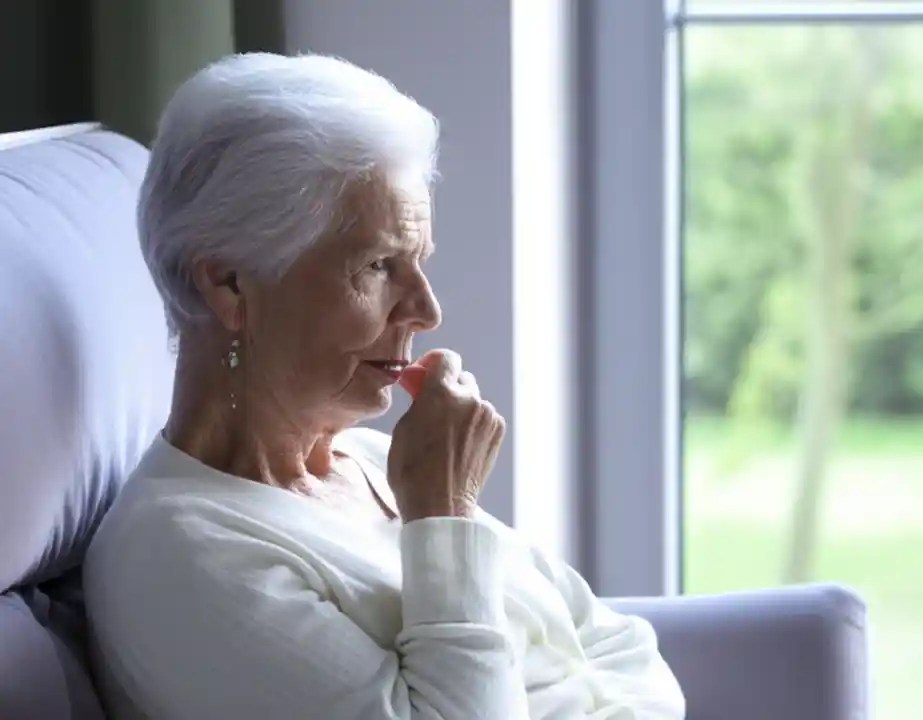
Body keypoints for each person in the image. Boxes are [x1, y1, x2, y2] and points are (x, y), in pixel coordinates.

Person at [84, 53, 685, 720]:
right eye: (377, 265)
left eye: (418, 263)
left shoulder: (372, 460)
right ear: (228, 284)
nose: (426, 310)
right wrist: (443, 513)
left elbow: (614, 645)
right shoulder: (182, 557)